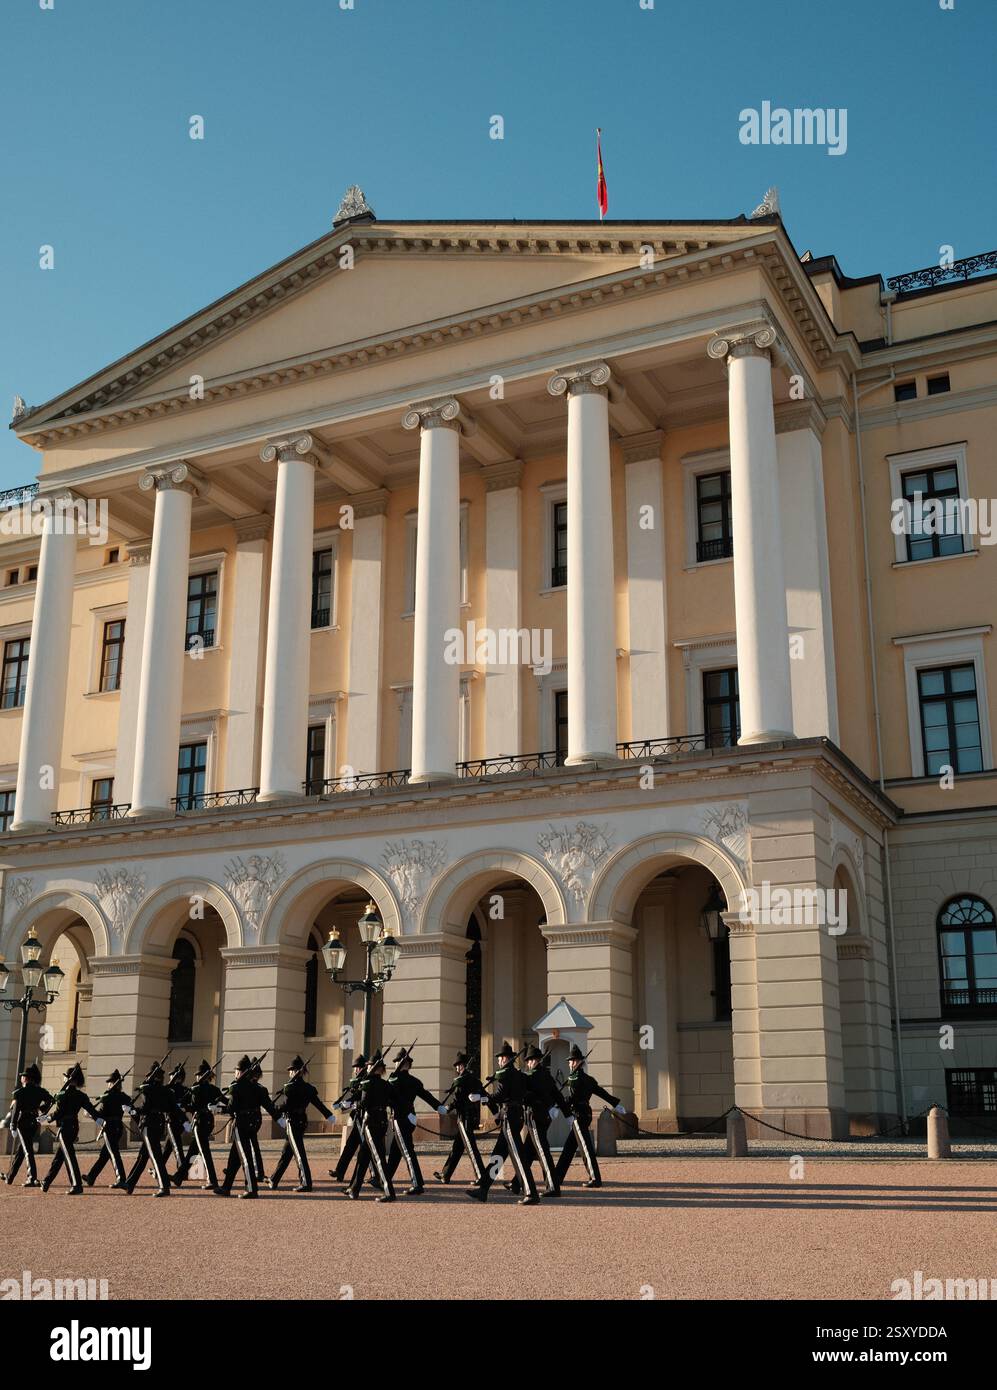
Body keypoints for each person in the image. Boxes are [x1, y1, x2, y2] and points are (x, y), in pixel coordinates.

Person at [466, 1043, 538, 1205]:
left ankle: (531, 1192)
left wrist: (483, 1098)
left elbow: (500, 1094)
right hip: (512, 1115)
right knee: (497, 1156)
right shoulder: (518, 1075)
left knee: (518, 1156)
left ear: (506, 1059)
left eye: (500, 1058)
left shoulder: (507, 1074)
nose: (499, 1061)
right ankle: (483, 1189)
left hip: (511, 1115)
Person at [552, 1045, 626, 1189]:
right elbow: (602, 1092)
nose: (569, 1063)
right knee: (569, 1148)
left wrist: (557, 1104)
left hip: (578, 1115)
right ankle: (557, 1177)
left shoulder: (575, 1079)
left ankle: (595, 1178)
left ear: (576, 1062)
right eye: (569, 1061)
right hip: (584, 1113)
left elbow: (571, 1099)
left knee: (586, 1149)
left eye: (571, 1061)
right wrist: (615, 1103)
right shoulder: (587, 1079)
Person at [383, 1046, 446, 1195]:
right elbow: (426, 1096)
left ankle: (417, 1183)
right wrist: (438, 1106)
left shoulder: (394, 1080)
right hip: (409, 1117)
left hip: (400, 1118)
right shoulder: (413, 1081)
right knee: (395, 1152)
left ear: (404, 1064)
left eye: (398, 1062)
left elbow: (390, 1099)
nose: (396, 1064)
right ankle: (384, 1179)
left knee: (407, 1151)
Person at [268, 1056, 334, 1192]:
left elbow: (286, 1105)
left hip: (292, 1122)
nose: (290, 1073)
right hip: (302, 1120)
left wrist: (273, 1109)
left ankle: (306, 1183)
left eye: (291, 1070)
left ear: (295, 1072)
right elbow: (318, 1104)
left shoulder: (290, 1087)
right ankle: (274, 1179)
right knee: (286, 1154)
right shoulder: (308, 1088)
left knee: (299, 1154)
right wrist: (329, 1115)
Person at [217, 1055, 279, 1198]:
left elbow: (232, 1108)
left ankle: (252, 1189)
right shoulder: (257, 1087)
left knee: (245, 1157)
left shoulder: (236, 1086)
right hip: (254, 1122)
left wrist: (218, 1109)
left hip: (242, 1123)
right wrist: (278, 1118)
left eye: (236, 1071)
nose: (235, 1073)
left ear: (240, 1072)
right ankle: (226, 1187)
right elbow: (268, 1106)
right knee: (234, 1157)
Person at [124, 1060, 188, 1197]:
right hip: (159, 1124)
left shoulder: (147, 1089)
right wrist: (185, 1120)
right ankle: (129, 1183)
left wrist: (132, 1111)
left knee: (155, 1157)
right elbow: (174, 1108)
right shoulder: (166, 1090)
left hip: (149, 1124)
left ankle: (164, 1186)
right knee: (143, 1156)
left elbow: (145, 1108)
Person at [511, 1045, 563, 1196]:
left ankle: (553, 1187)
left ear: (537, 1061)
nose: (529, 1063)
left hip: (536, 1117)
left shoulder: (533, 1076)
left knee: (542, 1152)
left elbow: (527, 1095)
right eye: (528, 1061)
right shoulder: (544, 1075)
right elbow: (556, 1095)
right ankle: (517, 1182)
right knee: (528, 1152)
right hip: (538, 1116)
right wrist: (564, 1112)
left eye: (531, 1060)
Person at [40, 1063, 101, 1195]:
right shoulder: (81, 1095)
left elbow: (59, 1113)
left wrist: (47, 1118)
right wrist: (100, 1120)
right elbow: (91, 1110)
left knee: (69, 1157)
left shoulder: (63, 1094)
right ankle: (46, 1181)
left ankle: (76, 1184)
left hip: (65, 1127)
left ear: (69, 1079)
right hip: (74, 1127)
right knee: (59, 1158)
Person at [346, 1053, 396, 1202]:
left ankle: (389, 1192)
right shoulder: (386, 1084)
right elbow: (393, 1100)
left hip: (371, 1122)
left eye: (368, 1065)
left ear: (372, 1067)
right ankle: (355, 1189)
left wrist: (353, 1105)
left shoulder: (367, 1083)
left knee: (379, 1158)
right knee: (363, 1156)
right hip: (382, 1122)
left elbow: (364, 1102)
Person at [172, 1059, 226, 1190]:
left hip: (199, 1121)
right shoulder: (214, 1089)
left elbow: (188, 1105)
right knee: (193, 1150)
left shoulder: (195, 1088)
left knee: (204, 1151)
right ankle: (179, 1176)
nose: (196, 1076)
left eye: (198, 1074)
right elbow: (226, 1102)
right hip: (209, 1121)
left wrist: (185, 1107)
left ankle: (212, 1180)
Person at [434, 1052, 485, 1186]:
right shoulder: (470, 1079)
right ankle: (446, 1174)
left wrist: (447, 1109)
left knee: (471, 1148)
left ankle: (481, 1176)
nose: (457, 1069)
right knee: (457, 1148)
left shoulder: (465, 1080)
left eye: (459, 1066)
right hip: (466, 1117)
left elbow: (458, 1100)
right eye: (456, 1066)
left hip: (465, 1117)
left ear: (464, 1066)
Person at [3, 1062, 53, 1187]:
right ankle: (10, 1176)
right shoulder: (39, 1091)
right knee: (22, 1150)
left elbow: (15, 1110)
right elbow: (51, 1100)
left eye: (23, 1076)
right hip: (34, 1121)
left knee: (27, 1151)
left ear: (26, 1078)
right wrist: (42, 1111)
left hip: (23, 1122)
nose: (21, 1078)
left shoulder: (20, 1092)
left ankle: (32, 1178)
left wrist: (13, 1126)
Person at [84, 1069, 134, 1189]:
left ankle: (121, 1179)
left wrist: (90, 1113)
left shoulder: (107, 1097)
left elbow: (101, 1115)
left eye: (109, 1082)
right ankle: (91, 1176)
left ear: (112, 1083)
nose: (108, 1084)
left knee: (114, 1153)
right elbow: (130, 1106)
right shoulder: (124, 1097)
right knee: (105, 1155)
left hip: (109, 1127)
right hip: (118, 1127)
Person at [327, 1054, 367, 1185]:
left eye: (358, 1067)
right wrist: (341, 1103)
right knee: (349, 1147)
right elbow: (352, 1095)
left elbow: (359, 1097)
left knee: (366, 1149)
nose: (356, 1070)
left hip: (364, 1118)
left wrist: (348, 1103)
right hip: (357, 1117)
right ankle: (340, 1171)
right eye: (355, 1067)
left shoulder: (365, 1080)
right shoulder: (357, 1080)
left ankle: (376, 1175)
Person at [162, 1062, 189, 1177]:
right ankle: (159, 1167)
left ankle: (183, 1171)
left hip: (172, 1121)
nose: (170, 1077)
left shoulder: (169, 1089)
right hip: (181, 1122)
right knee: (168, 1147)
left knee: (177, 1147)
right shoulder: (185, 1090)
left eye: (172, 1075)